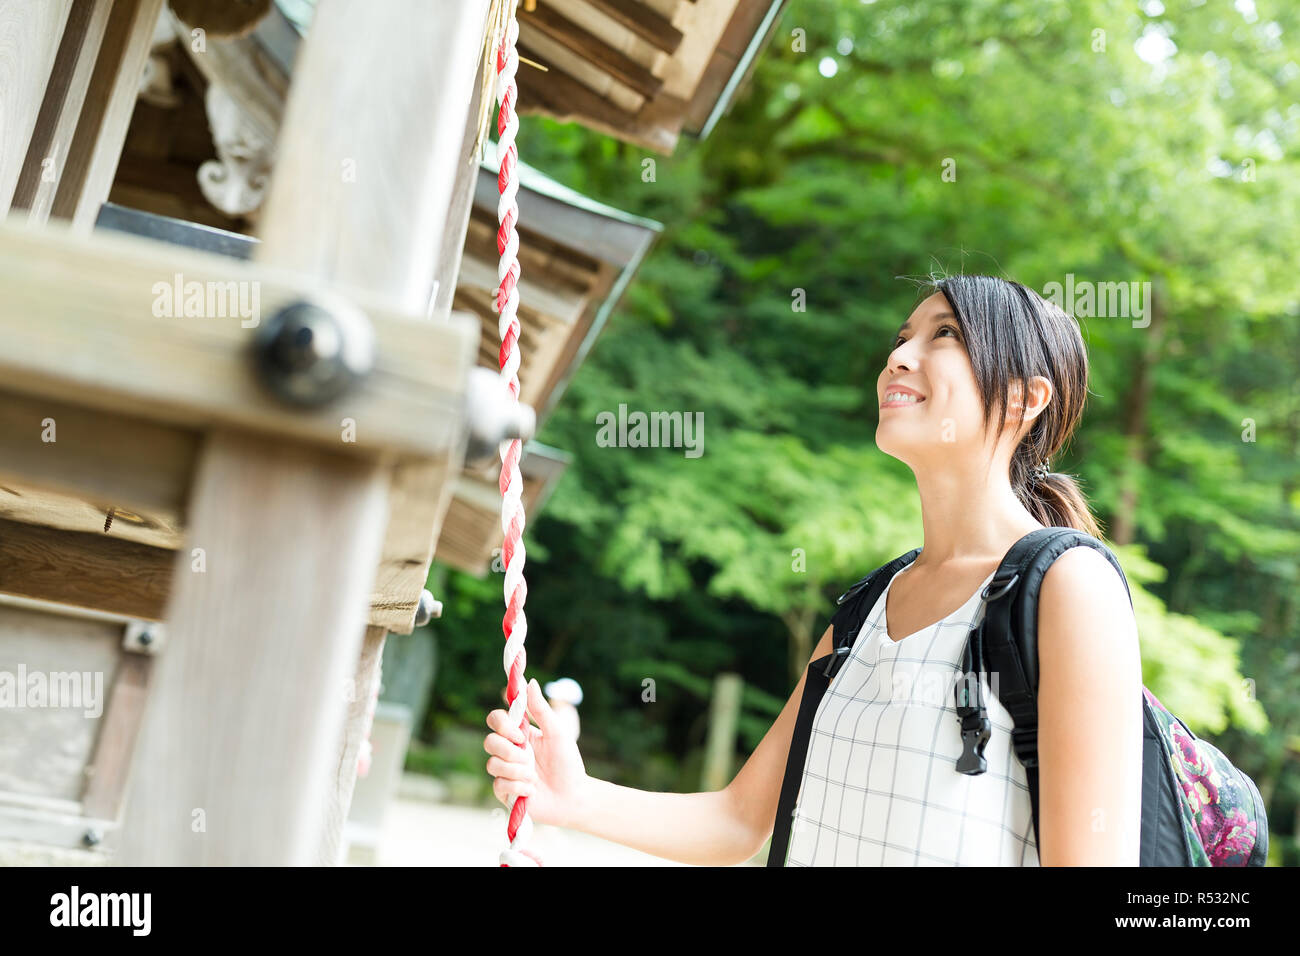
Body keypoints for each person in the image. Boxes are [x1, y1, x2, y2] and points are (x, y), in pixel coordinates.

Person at [483, 274, 1144, 866]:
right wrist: (576, 798)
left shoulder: (1067, 588)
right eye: (902, 335)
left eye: (945, 334)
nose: (898, 356)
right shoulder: (867, 610)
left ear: (1026, 398)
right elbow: (738, 821)